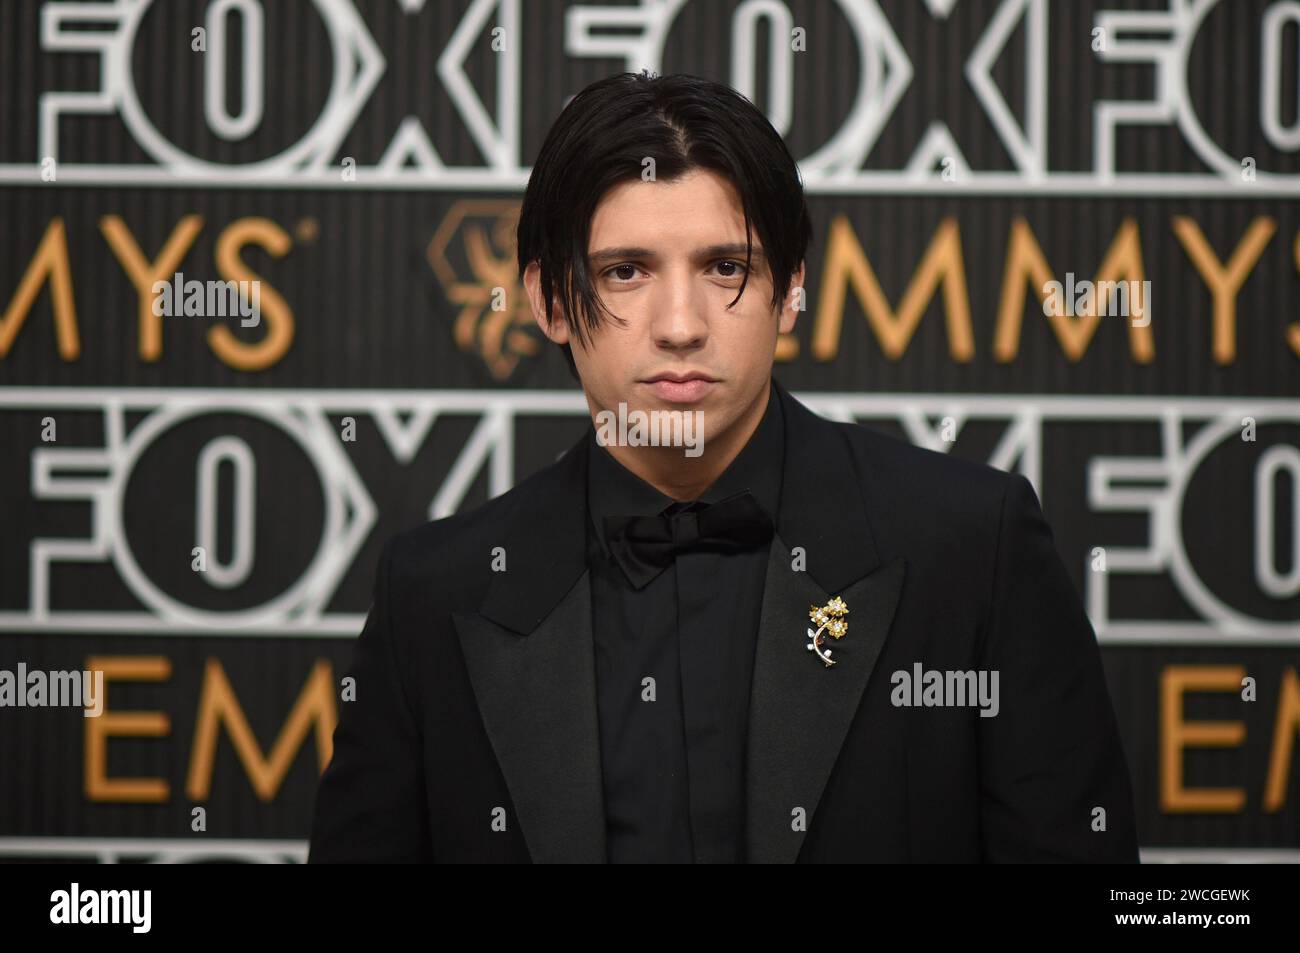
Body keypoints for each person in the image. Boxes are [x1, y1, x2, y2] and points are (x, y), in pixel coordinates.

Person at [308, 71, 1139, 863]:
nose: (680, 324)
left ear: (791, 291)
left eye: (726, 268)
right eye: (624, 271)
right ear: (550, 301)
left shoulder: (973, 549)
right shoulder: (434, 592)